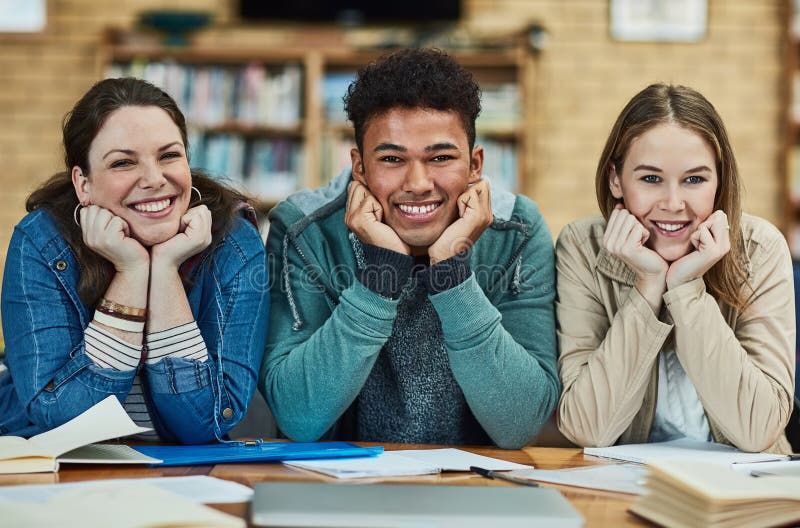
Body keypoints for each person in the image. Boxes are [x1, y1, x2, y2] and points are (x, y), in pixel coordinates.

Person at [260, 48, 559, 449]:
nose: (418, 182)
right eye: (392, 158)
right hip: (337, 487)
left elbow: (520, 424)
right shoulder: (303, 230)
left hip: (474, 488)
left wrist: (451, 272)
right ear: (359, 167)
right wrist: (381, 274)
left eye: (440, 157)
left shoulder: (517, 232)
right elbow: (298, 416)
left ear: (475, 165)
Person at [0, 78, 269, 443]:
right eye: (124, 162)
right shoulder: (42, 242)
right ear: (84, 183)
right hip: (58, 468)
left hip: (182, 472)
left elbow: (205, 422)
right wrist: (132, 270)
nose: (154, 179)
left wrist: (165, 269)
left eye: (169, 155)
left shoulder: (233, 243)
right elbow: (60, 414)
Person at [556, 83, 795, 453]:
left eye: (695, 179)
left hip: (740, 494)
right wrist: (648, 286)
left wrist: (686, 289)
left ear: (719, 182)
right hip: (620, 489)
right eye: (650, 179)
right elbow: (589, 428)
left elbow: (758, 429)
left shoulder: (760, 249)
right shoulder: (582, 247)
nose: (673, 203)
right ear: (616, 179)